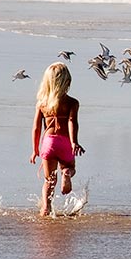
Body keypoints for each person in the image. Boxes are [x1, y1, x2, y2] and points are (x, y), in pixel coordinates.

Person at [30, 62, 84, 217]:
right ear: (67, 81)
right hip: (65, 141)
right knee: (69, 167)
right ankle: (66, 173)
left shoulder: (42, 103)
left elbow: (36, 128)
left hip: (49, 143)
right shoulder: (72, 102)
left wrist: (35, 150)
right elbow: (72, 122)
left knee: (49, 180)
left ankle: (46, 208)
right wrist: (74, 142)